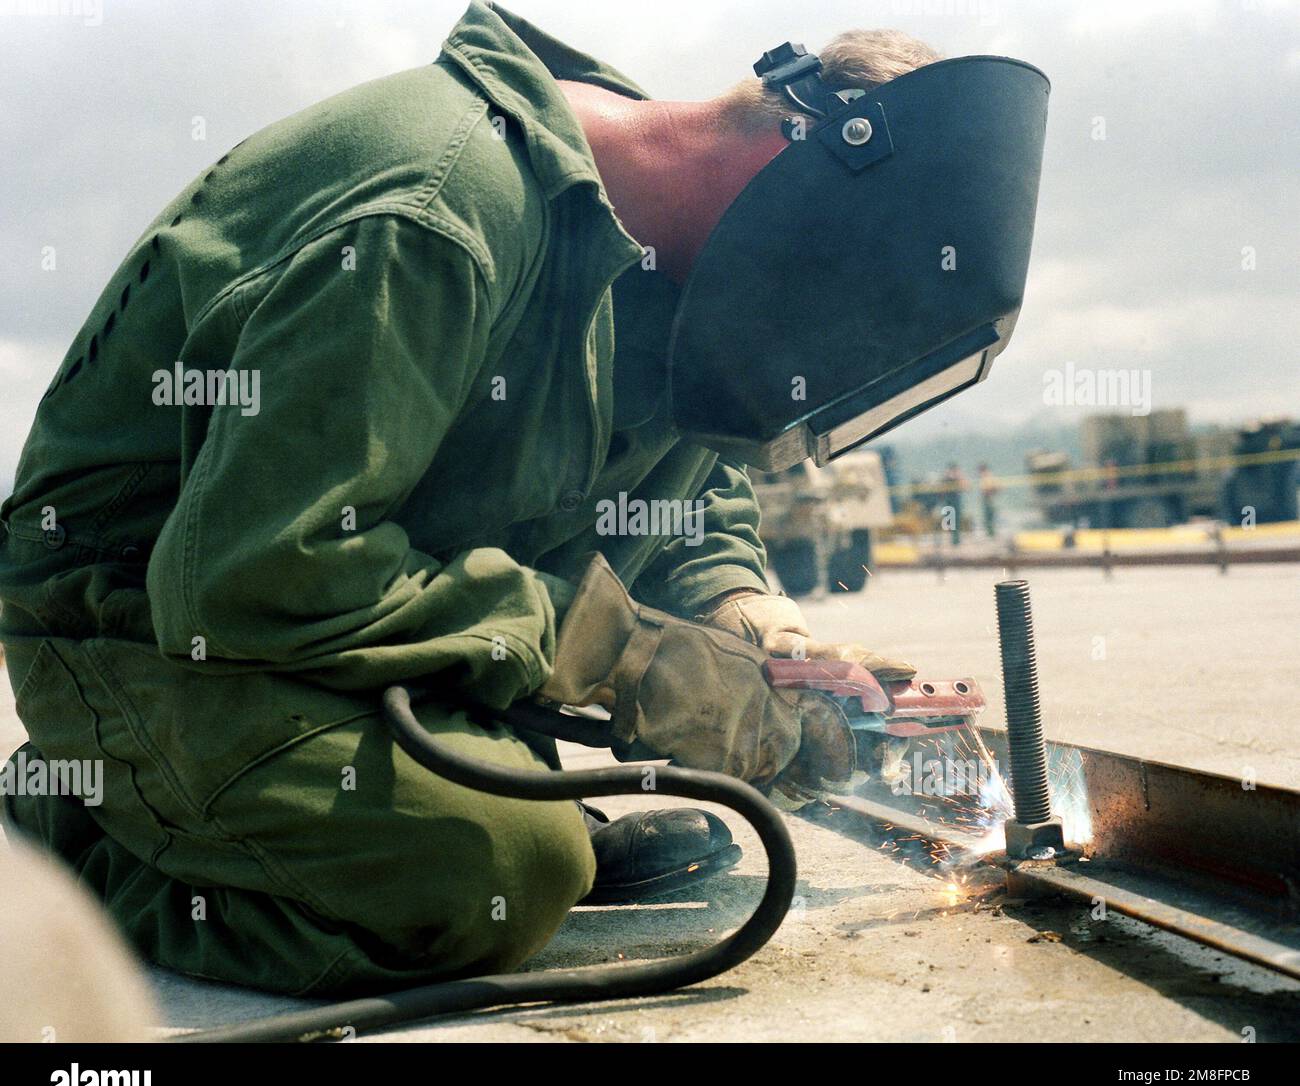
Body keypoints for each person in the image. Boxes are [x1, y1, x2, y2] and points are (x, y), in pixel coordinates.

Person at [0, 3, 1047, 994]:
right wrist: (629, 661)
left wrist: (747, 624)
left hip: (320, 625)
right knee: (484, 875)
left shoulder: (663, 272)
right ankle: (60, 828)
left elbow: (690, 494)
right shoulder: (432, 213)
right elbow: (259, 571)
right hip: (139, 623)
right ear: (799, 181)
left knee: (519, 839)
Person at [978, 462, 1000, 537]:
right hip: (987, 498)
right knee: (988, 517)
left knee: (989, 517)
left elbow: (997, 487)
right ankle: (990, 533)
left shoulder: (988, 476)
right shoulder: (985, 477)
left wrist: (990, 491)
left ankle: (991, 534)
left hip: (989, 498)